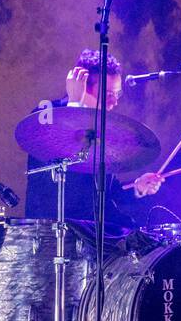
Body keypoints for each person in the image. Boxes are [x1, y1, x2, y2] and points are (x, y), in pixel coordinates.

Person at [24, 48, 164, 227]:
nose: (114, 102)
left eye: (117, 94)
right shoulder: (47, 114)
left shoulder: (106, 130)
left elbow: (109, 196)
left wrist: (138, 188)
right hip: (52, 232)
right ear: (83, 86)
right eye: (108, 94)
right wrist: (75, 103)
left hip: (95, 234)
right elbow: (63, 181)